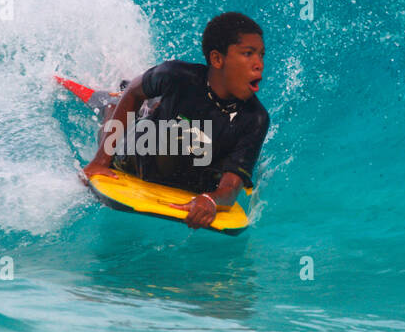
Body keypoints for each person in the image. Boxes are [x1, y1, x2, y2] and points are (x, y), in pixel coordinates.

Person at [82, 12, 269, 229]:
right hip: (141, 155)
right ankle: (112, 105)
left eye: (261, 55)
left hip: (194, 176)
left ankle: (153, 105)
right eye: (248, 54)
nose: (259, 64)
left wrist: (211, 200)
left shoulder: (255, 119)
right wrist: (101, 161)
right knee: (134, 116)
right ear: (217, 59)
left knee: (184, 131)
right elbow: (133, 92)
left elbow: (232, 186)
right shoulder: (177, 76)